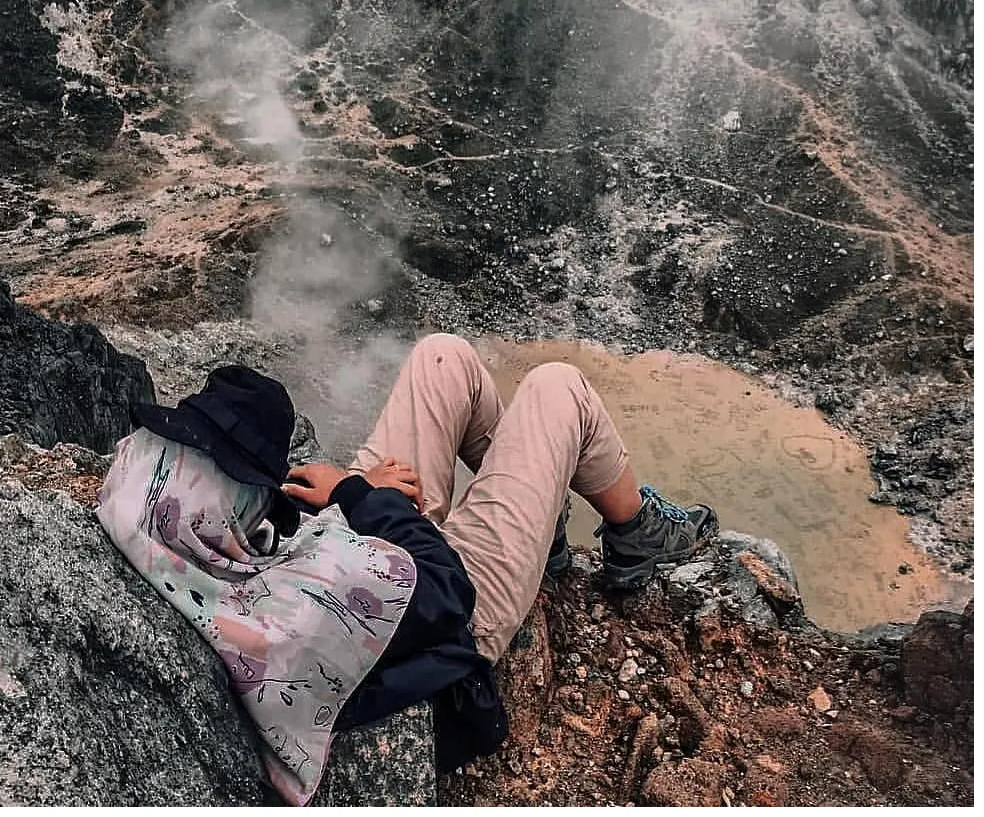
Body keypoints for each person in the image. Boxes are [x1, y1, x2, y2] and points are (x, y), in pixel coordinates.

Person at [96, 333, 716, 805]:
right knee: (559, 387)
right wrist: (365, 498)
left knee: (442, 358)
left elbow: (278, 542)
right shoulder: (287, 619)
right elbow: (443, 589)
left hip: (364, 555)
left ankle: (543, 507)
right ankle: (636, 533)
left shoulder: (157, 517)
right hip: (443, 600)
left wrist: (345, 497)